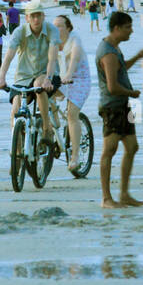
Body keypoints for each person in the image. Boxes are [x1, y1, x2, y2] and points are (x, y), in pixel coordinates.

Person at [0, 0, 61, 152]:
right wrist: (2, 78)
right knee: (16, 109)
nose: (36, 19)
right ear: (27, 18)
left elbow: (52, 58)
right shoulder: (20, 32)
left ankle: (46, 129)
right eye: (33, 16)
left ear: (43, 16)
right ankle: (17, 151)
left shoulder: (52, 30)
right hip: (23, 77)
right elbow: (9, 56)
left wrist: (49, 79)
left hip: (48, 74)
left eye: (39, 16)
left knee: (39, 84)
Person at [95, 11, 143, 208]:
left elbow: (121, 67)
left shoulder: (114, 48)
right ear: (116, 29)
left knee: (132, 146)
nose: (131, 31)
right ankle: (107, 198)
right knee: (109, 150)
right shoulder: (107, 52)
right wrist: (132, 93)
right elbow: (112, 86)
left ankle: (124, 194)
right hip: (113, 106)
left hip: (124, 106)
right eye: (128, 27)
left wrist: (137, 57)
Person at [55, 14, 91, 176]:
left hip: (79, 80)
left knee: (71, 114)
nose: (56, 29)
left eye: (60, 26)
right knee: (43, 100)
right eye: (54, 26)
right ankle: (53, 132)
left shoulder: (74, 40)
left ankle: (75, 156)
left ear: (68, 28)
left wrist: (69, 73)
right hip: (62, 79)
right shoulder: (53, 41)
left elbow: (75, 57)